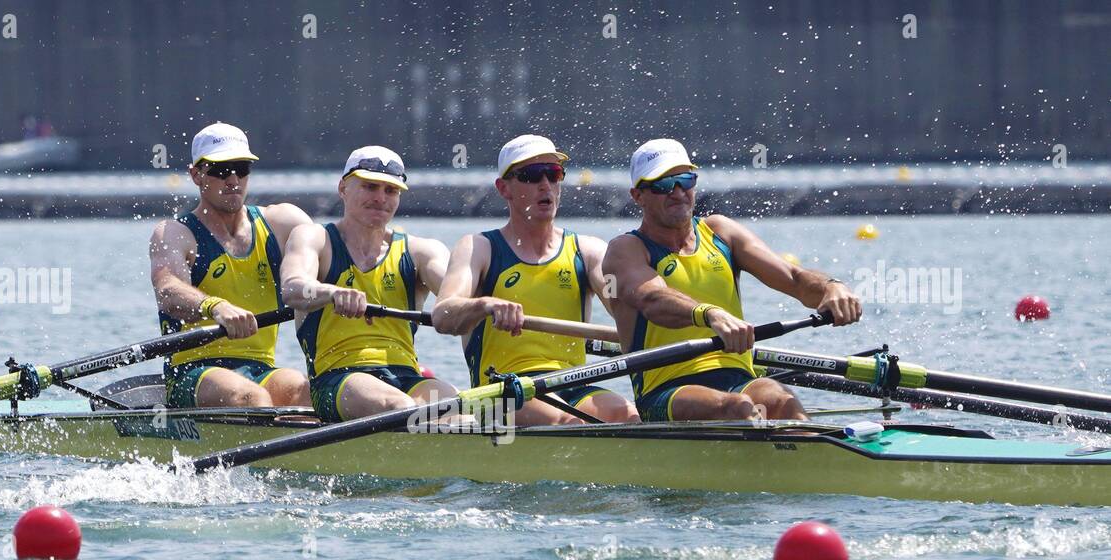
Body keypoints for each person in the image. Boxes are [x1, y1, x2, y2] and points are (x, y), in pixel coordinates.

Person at [602, 138, 863, 422]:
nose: (677, 193)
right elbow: (651, 299)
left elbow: (794, 278)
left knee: (782, 401)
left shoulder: (721, 232)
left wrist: (831, 287)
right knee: (737, 408)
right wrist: (709, 314)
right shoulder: (626, 249)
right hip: (666, 391)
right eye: (663, 185)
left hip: (738, 378)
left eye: (685, 180)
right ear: (638, 196)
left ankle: (817, 460)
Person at [432, 135, 638, 425]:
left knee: (629, 416)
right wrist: (484, 304)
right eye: (531, 176)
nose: (545, 185)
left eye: (553, 175)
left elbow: (626, 308)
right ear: (504, 188)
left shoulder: (587, 250)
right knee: (570, 422)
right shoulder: (479, 248)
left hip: (573, 383)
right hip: (503, 391)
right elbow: (443, 315)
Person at [280, 146, 460, 422]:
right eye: (370, 187)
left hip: (407, 377)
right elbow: (293, 289)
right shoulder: (315, 238)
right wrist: (332, 292)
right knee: (401, 408)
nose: (380, 198)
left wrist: (483, 305)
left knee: (462, 410)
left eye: (390, 191)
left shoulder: (421, 251)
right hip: (337, 380)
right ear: (343, 188)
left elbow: (458, 297)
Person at [149, 122, 311, 408]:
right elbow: (168, 291)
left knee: (304, 389)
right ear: (196, 175)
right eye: (221, 170)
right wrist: (215, 307)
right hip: (193, 370)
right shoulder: (175, 233)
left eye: (241, 168)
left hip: (260, 368)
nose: (233, 179)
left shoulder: (283, 223)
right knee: (252, 397)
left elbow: (334, 261)